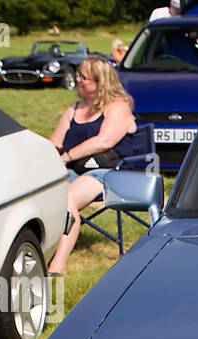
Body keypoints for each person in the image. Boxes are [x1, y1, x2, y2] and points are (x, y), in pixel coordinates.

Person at [46, 59, 137, 275]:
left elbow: (104, 141)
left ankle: (58, 264)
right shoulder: (74, 109)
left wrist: (67, 156)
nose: (77, 79)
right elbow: (55, 142)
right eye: (78, 75)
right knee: (39, 194)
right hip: (72, 170)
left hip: (107, 172)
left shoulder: (118, 106)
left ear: (100, 81)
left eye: (83, 77)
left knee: (67, 199)